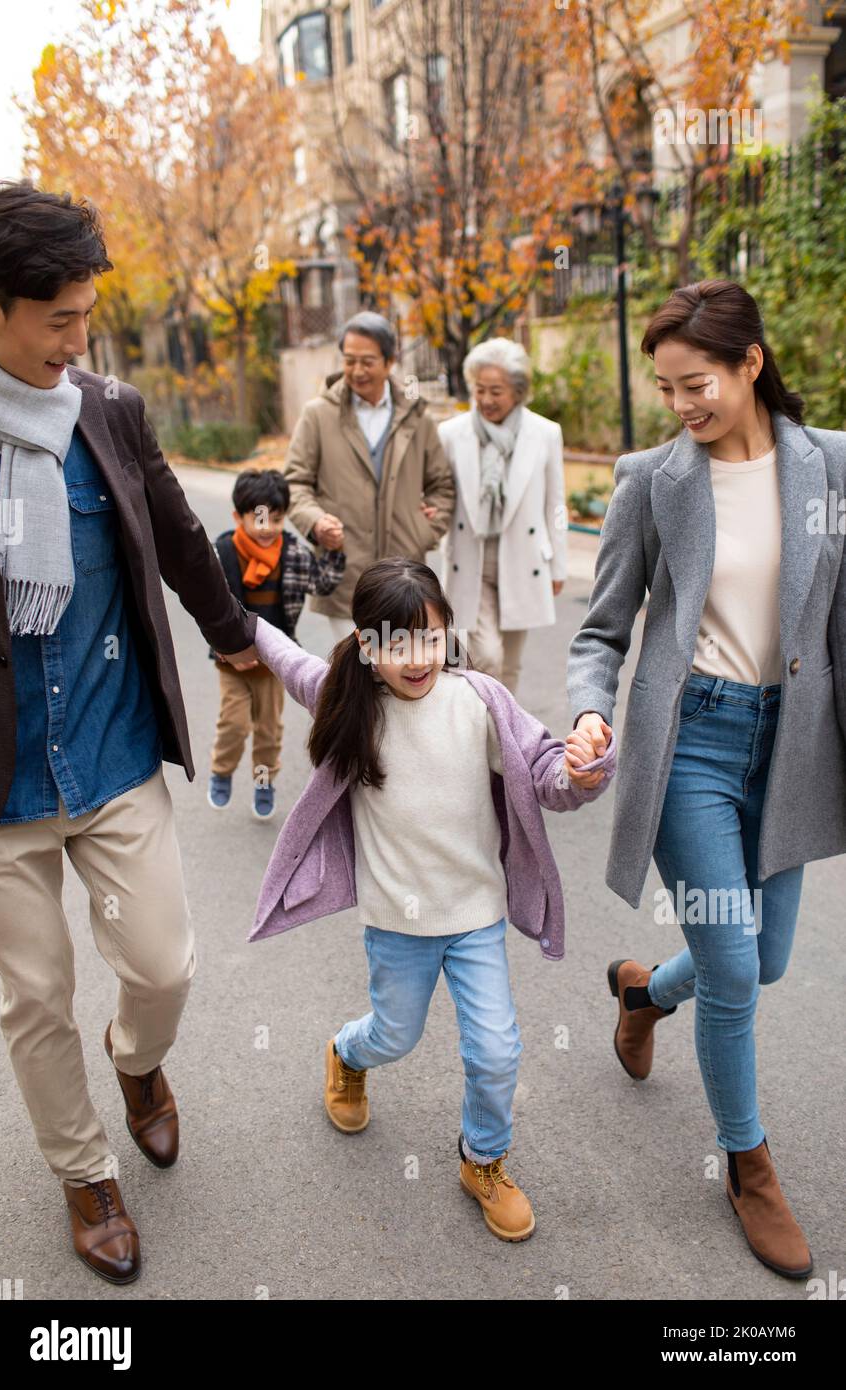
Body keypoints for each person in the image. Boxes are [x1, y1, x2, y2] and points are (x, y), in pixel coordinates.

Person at [0, 180, 259, 1285]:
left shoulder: (109, 409)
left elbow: (185, 543)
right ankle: (83, 1172)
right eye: (57, 318)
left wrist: (241, 640)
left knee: (162, 966)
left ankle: (137, 1063)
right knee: (35, 993)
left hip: (108, 752)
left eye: (87, 314)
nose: (78, 339)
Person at [566, 278, 846, 1280]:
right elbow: (600, 627)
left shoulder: (829, 466)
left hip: (793, 745)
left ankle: (642, 993)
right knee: (733, 971)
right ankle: (746, 1165)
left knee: (760, 960)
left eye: (696, 385)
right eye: (666, 388)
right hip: (689, 743)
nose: (681, 406)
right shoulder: (651, 478)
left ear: (749, 363)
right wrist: (592, 706)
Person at [246, 557, 616, 1241]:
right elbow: (287, 657)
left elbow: (544, 772)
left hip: (474, 916)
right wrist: (237, 618)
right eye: (394, 641)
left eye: (430, 637)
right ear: (367, 647)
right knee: (395, 1035)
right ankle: (348, 1056)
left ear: (448, 631)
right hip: (397, 924)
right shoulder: (347, 700)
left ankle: (484, 1159)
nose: (416, 657)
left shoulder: (477, 700)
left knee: (497, 1049)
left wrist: (581, 767)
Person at [282, 310, 456, 644]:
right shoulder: (318, 415)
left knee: (400, 675)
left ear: (390, 362)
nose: (357, 371)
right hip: (344, 571)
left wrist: (423, 531)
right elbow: (295, 482)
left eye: (367, 361)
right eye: (349, 361)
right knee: (360, 673)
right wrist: (316, 522)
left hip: (404, 577)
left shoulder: (417, 417)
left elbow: (442, 486)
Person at [206, 467, 345, 820]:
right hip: (232, 661)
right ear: (238, 516)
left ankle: (264, 780)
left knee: (268, 730)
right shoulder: (221, 554)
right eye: (260, 520)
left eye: (277, 520)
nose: (268, 529)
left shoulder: (293, 555)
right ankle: (222, 771)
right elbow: (205, 605)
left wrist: (333, 550)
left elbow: (323, 583)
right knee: (234, 724)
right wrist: (222, 644)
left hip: (273, 660)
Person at [438, 337, 568, 692]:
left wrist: (558, 564)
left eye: (496, 391)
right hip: (470, 557)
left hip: (522, 557)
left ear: (518, 392)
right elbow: (437, 490)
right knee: (486, 657)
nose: (486, 400)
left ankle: (501, 740)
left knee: (510, 664)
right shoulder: (451, 434)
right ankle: (478, 726)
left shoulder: (544, 434)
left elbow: (555, 504)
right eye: (479, 390)